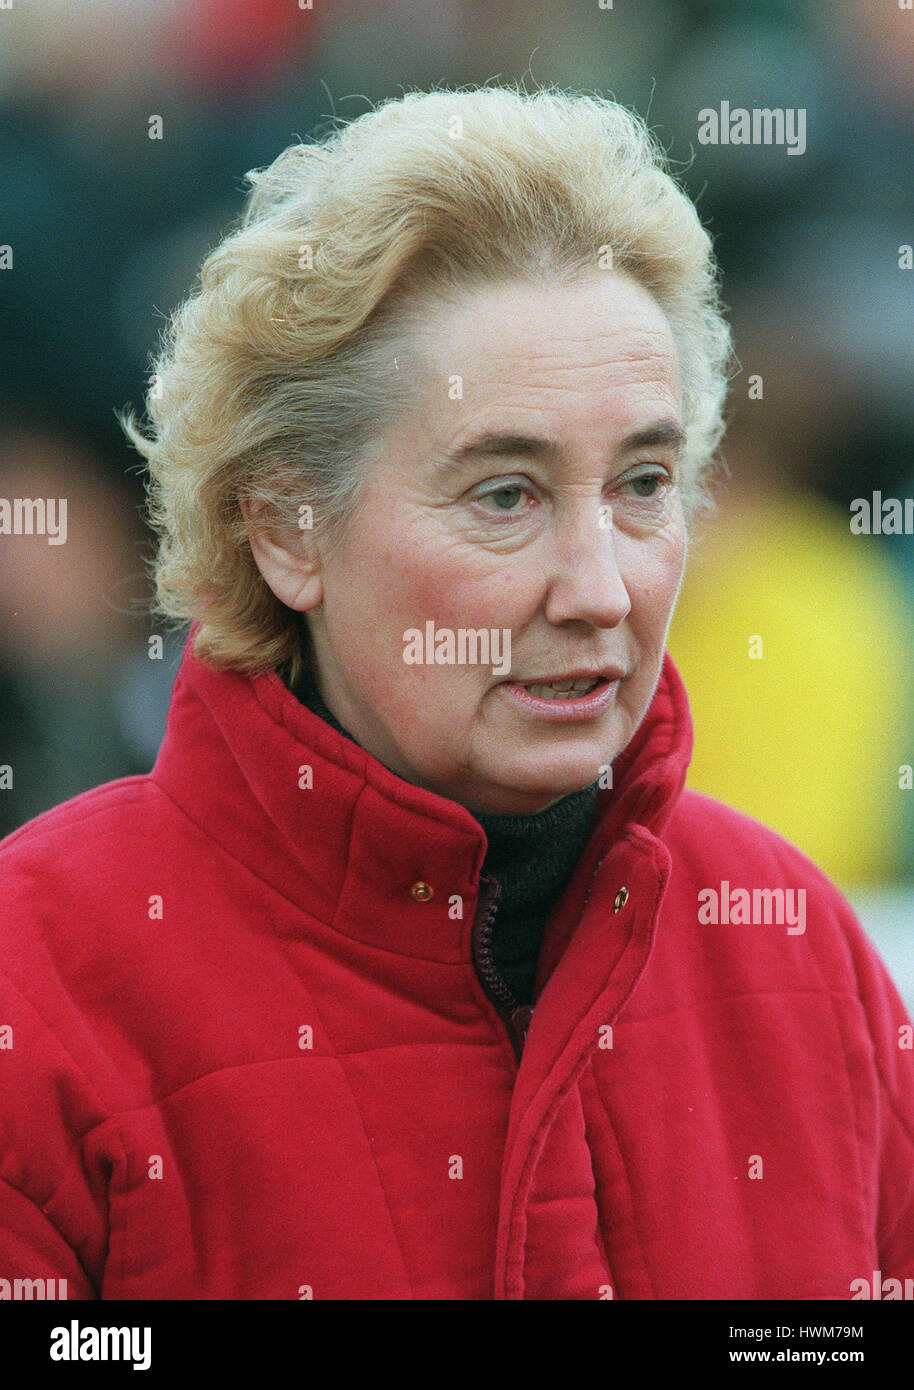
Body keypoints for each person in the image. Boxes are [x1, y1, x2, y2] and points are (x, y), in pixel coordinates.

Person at [1, 85, 912, 1301]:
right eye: (504, 495)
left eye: (642, 481)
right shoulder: (42, 981)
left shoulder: (793, 946)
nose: (598, 588)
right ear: (284, 528)